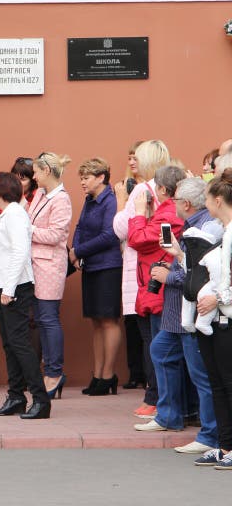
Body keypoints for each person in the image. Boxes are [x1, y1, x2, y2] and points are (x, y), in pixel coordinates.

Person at [134, 177, 221, 454]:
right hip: (178, 313)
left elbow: (199, 276)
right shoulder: (194, 225)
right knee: (160, 351)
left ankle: (210, 434)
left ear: (186, 203)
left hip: (192, 314)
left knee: (201, 376)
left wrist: (167, 275)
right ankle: (170, 415)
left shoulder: (204, 229)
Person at [0, 172, 50, 420]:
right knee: (10, 344)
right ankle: (16, 396)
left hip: (15, 289)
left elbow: (20, 252)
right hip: (3, 286)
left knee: (20, 344)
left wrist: (8, 290)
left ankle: (40, 400)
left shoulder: (15, 214)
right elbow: (1, 257)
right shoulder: (7, 215)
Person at [114, 139, 171, 418]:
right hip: (162, 268)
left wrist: (123, 203)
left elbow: (124, 230)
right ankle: (158, 396)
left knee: (151, 337)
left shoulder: (141, 190)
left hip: (145, 271)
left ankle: (156, 397)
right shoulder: (166, 191)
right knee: (158, 337)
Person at [128, 163, 186, 419]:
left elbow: (138, 240)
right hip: (157, 288)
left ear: (162, 189)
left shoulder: (169, 214)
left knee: (160, 351)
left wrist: (139, 213)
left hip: (160, 290)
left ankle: (165, 407)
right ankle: (165, 405)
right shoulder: (169, 211)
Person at [71, 158, 124, 396]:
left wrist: (78, 251)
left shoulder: (110, 200)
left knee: (108, 320)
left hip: (108, 266)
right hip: (92, 265)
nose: (82, 182)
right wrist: (75, 250)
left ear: (101, 177)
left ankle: (108, 375)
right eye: (81, 177)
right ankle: (97, 374)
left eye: (86, 177)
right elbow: (81, 227)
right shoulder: (90, 200)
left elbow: (109, 235)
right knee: (96, 320)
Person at [192, 171, 232, 469]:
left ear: (218, 200)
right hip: (217, 319)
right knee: (218, 383)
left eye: (206, 198)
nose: (204, 203)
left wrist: (217, 298)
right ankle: (225, 446)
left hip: (226, 317)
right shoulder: (224, 230)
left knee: (227, 384)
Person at [27, 153, 73, 398]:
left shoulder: (62, 200)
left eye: (36, 171)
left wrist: (28, 230)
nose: (33, 176)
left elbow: (55, 235)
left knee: (48, 318)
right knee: (40, 319)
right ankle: (51, 372)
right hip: (35, 266)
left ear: (46, 170)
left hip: (50, 267)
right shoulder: (40, 195)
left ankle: (54, 372)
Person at [115, 141, 147, 390]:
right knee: (131, 322)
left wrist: (122, 201)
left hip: (139, 255)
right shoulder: (127, 186)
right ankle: (135, 371)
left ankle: (147, 377)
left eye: (136, 157)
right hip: (127, 255)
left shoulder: (143, 190)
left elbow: (121, 226)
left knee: (144, 322)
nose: (132, 161)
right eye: (129, 157)